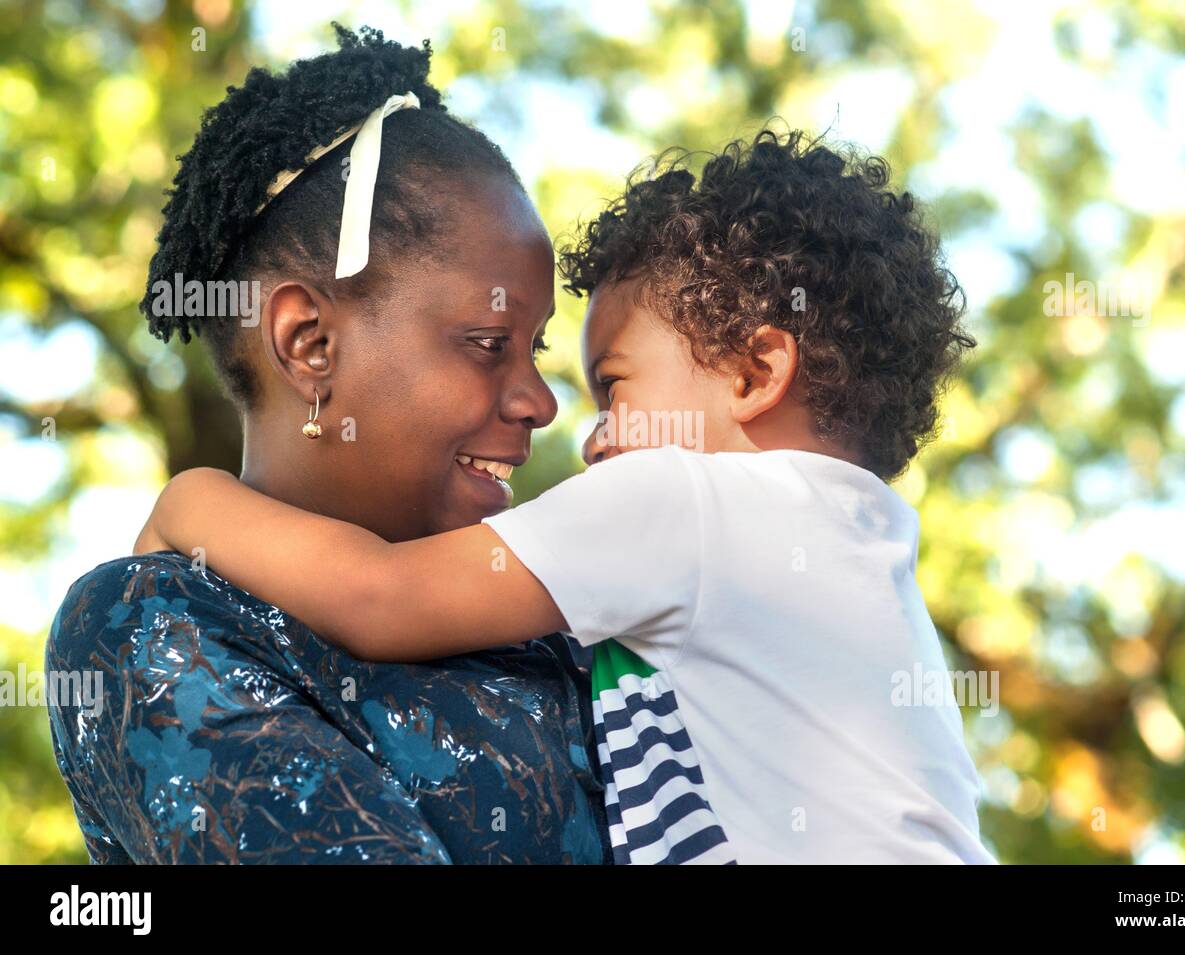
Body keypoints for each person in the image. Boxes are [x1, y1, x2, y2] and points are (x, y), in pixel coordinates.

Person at [137, 130, 997, 864]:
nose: (580, 433)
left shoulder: (681, 501)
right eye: (490, 343)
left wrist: (192, 502)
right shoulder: (851, 549)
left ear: (753, 372)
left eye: (613, 388)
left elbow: (382, 593)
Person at [45, 25, 607, 864]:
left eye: (541, 349)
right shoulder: (149, 619)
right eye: (491, 343)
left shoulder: (562, 632)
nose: (542, 401)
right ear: (309, 343)